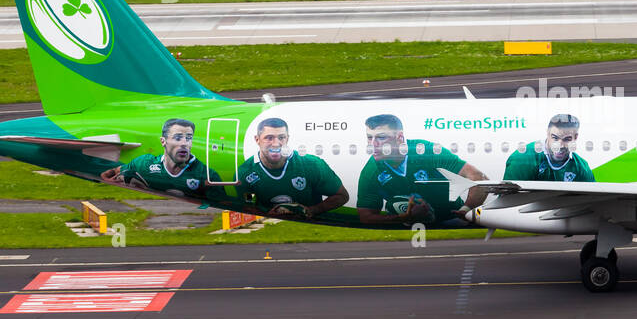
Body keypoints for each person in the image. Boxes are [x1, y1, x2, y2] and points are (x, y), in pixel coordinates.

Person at [356, 113, 487, 226]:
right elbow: (365, 216)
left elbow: (479, 178)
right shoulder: (371, 171)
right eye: (369, 137)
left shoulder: (427, 152)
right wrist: (404, 218)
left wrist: (465, 211)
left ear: (399, 138)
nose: (372, 144)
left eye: (381, 137)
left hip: (452, 221)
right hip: (407, 228)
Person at [237, 117, 349, 219]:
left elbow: (341, 196)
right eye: (269, 138)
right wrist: (269, 216)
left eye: (281, 137)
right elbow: (249, 205)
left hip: (311, 229)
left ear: (287, 139)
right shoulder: (245, 174)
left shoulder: (312, 164)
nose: (276, 144)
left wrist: (311, 210)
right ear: (257, 139)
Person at [101, 117, 224, 201]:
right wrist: (107, 179)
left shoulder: (207, 175)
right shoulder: (145, 164)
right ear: (163, 141)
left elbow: (223, 203)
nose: (184, 143)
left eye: (189, 138)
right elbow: (115, 171)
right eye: (178, 138)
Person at [504, 113, 595, 183]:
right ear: (547, 133)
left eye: (567, 139)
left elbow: (592, 201)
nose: (559, 146)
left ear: (576, 137)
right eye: (555, 138)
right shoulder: (523, 159)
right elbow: (507, 202)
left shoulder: (581, 167)